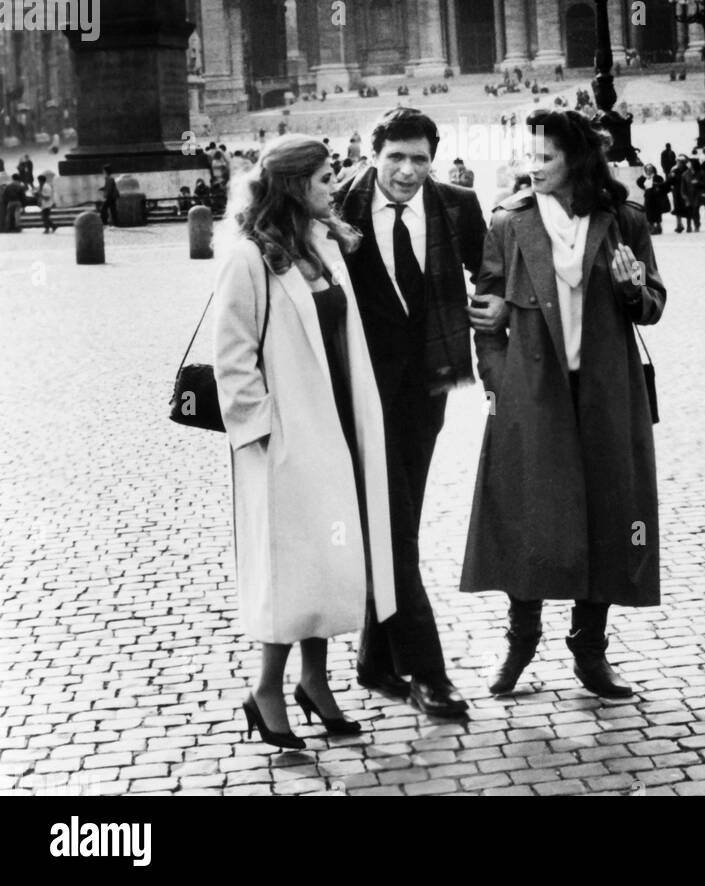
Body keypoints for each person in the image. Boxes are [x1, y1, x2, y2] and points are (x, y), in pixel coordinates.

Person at [461, 108, 666, 700]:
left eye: (544, 157)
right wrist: (500, 382)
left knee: (607, 513)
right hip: (532, 393)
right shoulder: (509, 222)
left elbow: (652, 303)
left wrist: (633, 288)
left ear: (576, 159)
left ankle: (589, 648)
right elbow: (485, 311)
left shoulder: (623, 219)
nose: (532, 167)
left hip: (606, 392)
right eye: (529, 156)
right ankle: (521, 641)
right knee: (527, 514)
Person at [213, 134, 396, 751]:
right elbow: (233, 359)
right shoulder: (249, 259)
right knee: (292, 565)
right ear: (294, 184)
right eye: (322, 178)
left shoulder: (322, 245)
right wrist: (263, 432)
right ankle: (266, 688)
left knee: (330, 558)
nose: (332, 187)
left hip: (338, 419)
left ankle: (315, 682)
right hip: (287, 435)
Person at [336, 108, 504, 719]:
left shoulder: (457, 204)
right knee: (393, 522)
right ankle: (427, 671)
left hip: (426, 388)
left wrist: (496, 307)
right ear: (372, 155)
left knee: (395, 522)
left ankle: (374, 660)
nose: (407, 172)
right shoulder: (336, 206)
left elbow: (491, 271)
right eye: (396, 159)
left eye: (420, 161)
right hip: (358, 391)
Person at [636, 164, 667, 235]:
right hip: (648, 197)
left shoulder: (658, 177)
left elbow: (662, 184)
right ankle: (651, 228)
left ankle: (659, 227)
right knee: (648, 213)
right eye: (647, 169)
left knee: (657, 213)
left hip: (656, 197)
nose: (649, 171)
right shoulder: (645, 178)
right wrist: (644, 176)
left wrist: (656, 185)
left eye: (650, 169)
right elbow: (639, 182)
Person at [680, 157, 703, 232]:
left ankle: (697, 225)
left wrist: (698, 182)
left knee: (696, 211)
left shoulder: (700, 173)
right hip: (688, 196)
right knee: (689, 212)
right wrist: (684, 196)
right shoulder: (685, 174)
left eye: (691, 163)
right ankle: (689, 226)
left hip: (697, 195)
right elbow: (683, 187)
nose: (690, 165)